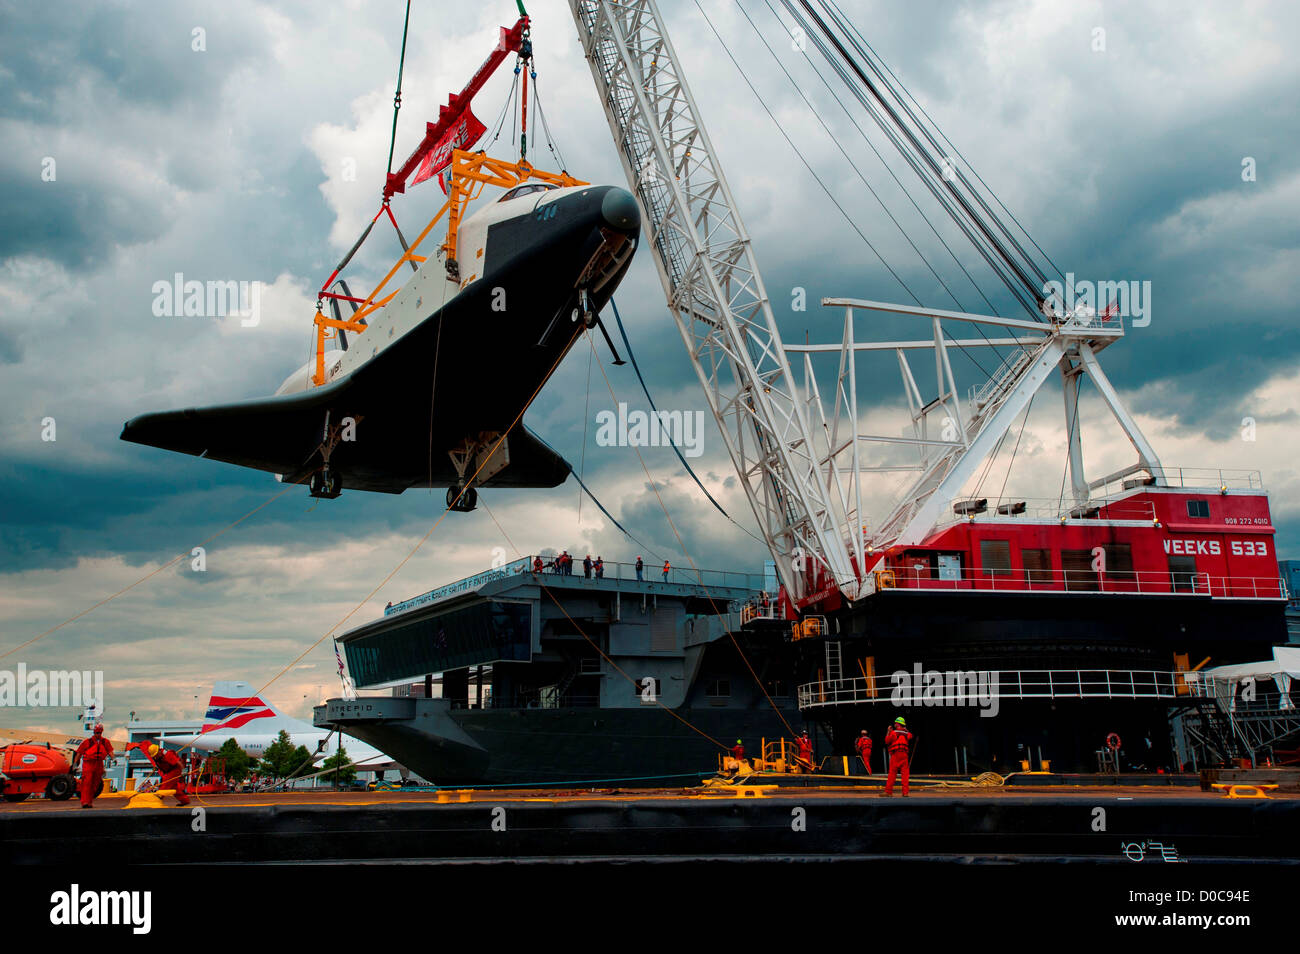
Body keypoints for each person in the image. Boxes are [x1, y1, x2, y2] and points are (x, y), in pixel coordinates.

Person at [75, 723, 114, 808]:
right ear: (94, 732)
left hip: (99, 763)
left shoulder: (105, 742)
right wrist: (75, 763)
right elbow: (79, 753)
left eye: (99, 733)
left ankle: (89, 801)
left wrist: (113, 759)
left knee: (95, 783)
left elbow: (110, 751)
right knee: (87, 783)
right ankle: (85, 802)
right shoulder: (87, 742)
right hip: (88, 764)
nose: (98, 734)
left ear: (101, 732)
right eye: (96, 733)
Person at [884, 717, 913, 796]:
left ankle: (888, 792)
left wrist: (888, 732)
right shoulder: (907, 734)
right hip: (904, 756)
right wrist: (905, 730)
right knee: (905, 775)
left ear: (897, 724)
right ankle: (905, 793)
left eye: (895, 723)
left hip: (896, 755)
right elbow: (910, 736)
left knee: (892, 774)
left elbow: (887, 741)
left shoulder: (893, 733)